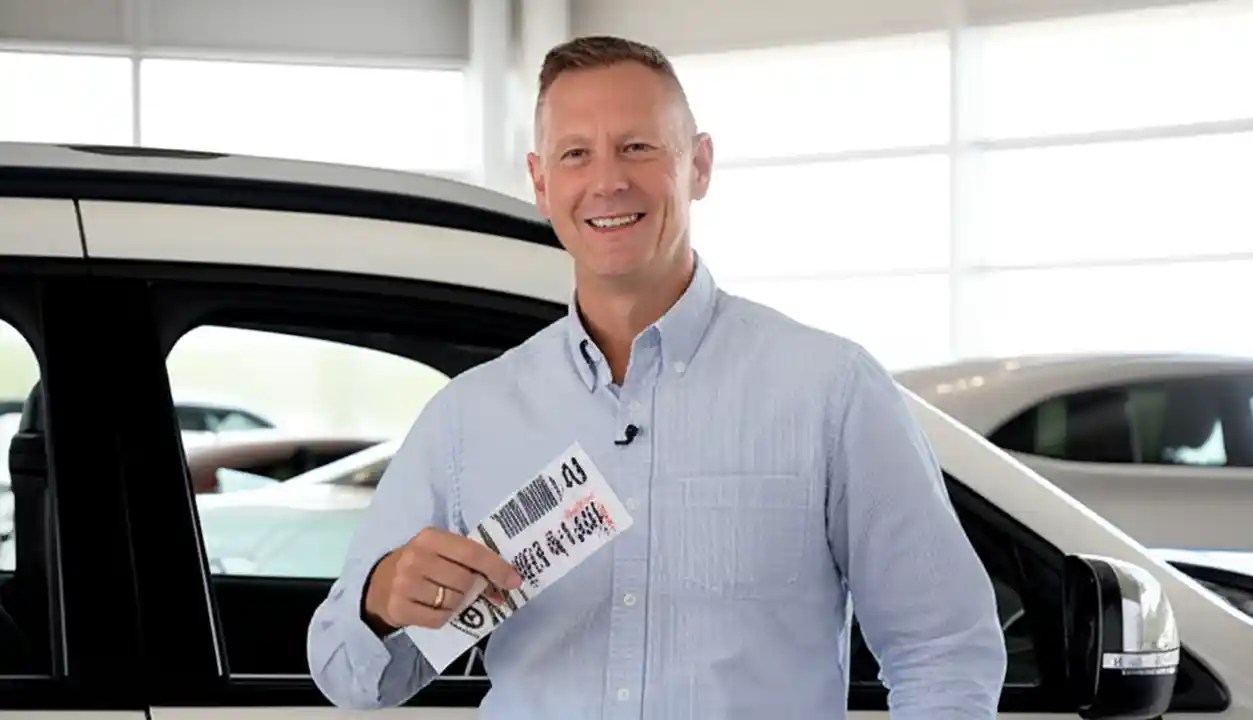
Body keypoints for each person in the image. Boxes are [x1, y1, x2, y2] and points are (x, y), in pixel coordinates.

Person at [307, 34, 1006, 719]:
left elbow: (943, 648)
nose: (608, 180)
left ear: (698, 165)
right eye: (576, 153)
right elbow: (352, 677)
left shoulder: (830, 391)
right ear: (542, 182)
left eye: (638, 147)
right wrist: (379, 599)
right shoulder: (469, 418)